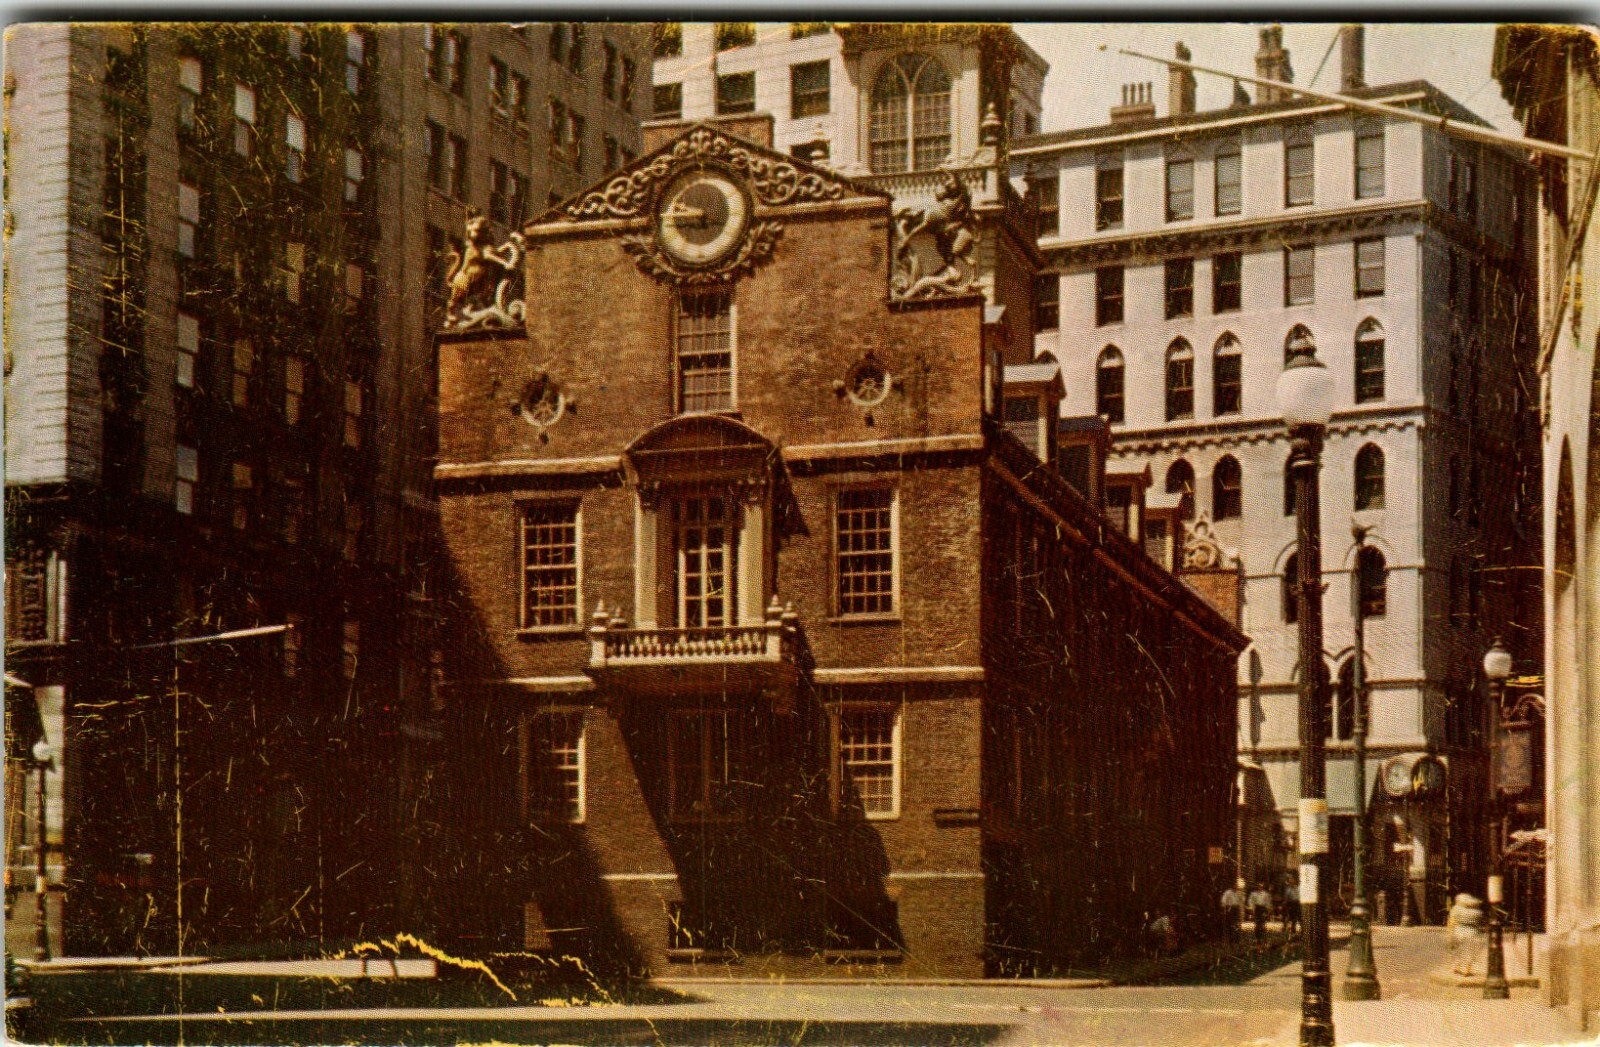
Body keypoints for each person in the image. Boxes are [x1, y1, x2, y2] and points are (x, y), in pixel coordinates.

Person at [1447, 892, 1485, 976]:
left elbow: (1452, 921)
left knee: (1457, 949)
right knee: (1469, 951)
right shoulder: (1477, 911)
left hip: (1459, 929)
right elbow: (1479, 923)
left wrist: (1450, 933)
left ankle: (1456, 967)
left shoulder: (1456, 908)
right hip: (1472, 931)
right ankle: (1467, 970)